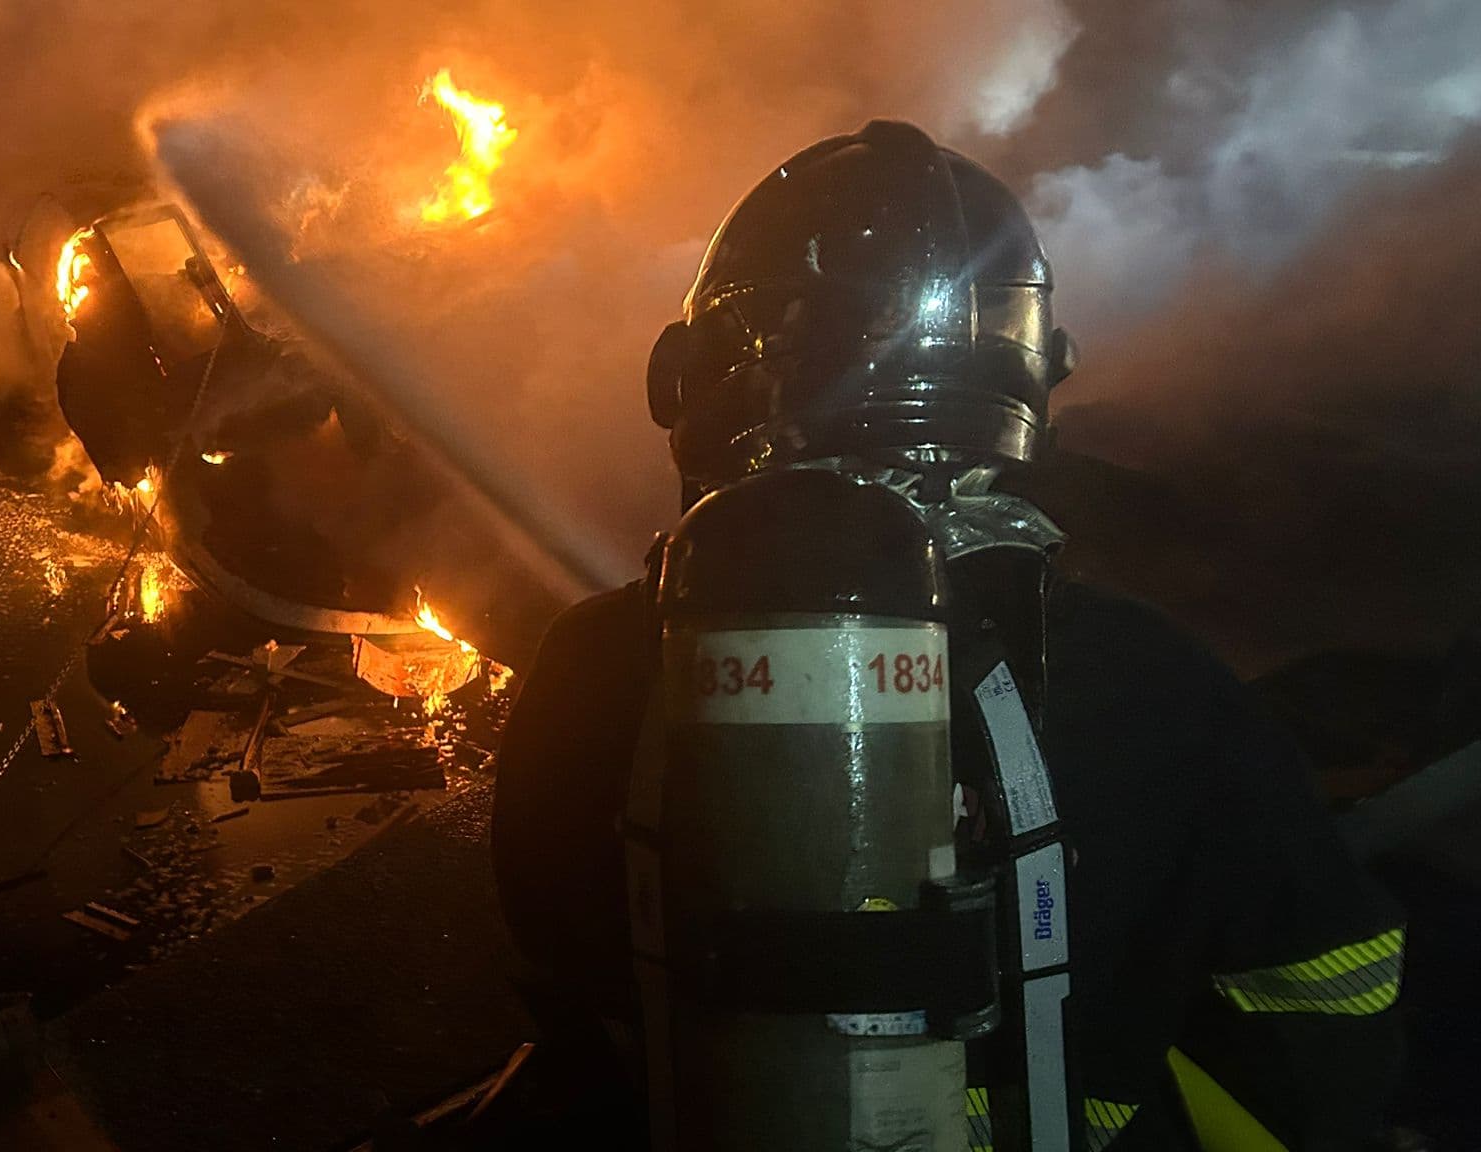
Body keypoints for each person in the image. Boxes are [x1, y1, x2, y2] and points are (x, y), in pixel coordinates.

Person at [490, 120, 1407, 1151]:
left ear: (687, 378)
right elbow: (1324, 990)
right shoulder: (1149, 680)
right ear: (1022, 378)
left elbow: (552, 966)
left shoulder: (586, 667)